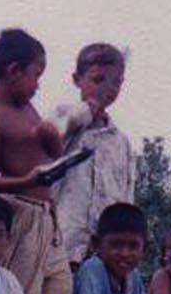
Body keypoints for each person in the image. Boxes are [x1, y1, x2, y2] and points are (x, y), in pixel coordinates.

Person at [0, 28, 78, 294]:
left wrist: (52, 138)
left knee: (59, 289)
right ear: (14, 71)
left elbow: (53, 153)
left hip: (49, 216)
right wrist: (25, 180)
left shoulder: (29, 109)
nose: (37, 85)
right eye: (36, 75)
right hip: (22, 213)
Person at [51, 43, 135, 267]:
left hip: (106, 254)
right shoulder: (63, 120)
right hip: (63, 247)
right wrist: (87, 111)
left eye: (116, 82)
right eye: (98, 80)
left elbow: (127, 194)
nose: (107, 88)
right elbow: (49, 145)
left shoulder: (121, 142)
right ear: (77, 79)